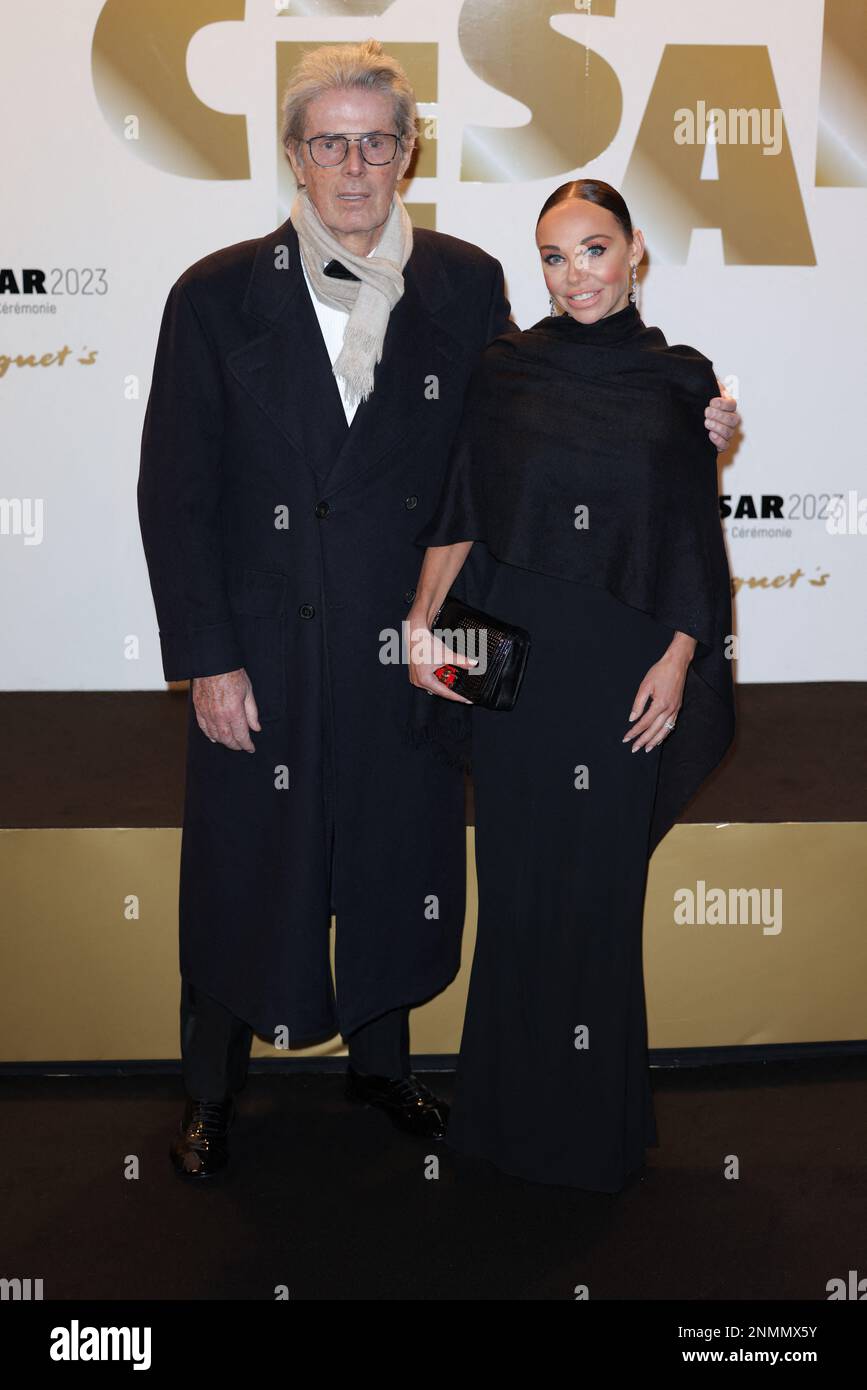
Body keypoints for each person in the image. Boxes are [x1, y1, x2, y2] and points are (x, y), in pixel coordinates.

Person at [138, 34, 740, 1183]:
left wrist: (692, 422)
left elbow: (542, 421)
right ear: (295, 159)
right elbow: (174, 492)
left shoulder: (467, 284)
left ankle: (382, 1066)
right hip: (264, 643)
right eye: (331, 142)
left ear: (407, 156)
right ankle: (212, 1088)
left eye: (378, 140)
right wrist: (206, 657)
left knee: (393, 855)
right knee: (245, 860)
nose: (356, 164)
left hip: (421, 635)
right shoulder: (213, 296)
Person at [408, 179, 737, 1194]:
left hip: (620, 669)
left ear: (637, 252)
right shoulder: (504, 370)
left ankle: (591, 1134)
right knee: (514, 890)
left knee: (598, 899)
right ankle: (501, 1123)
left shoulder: (680, 380)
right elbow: (462, 510)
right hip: (512, 658)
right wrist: (420, 629)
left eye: (595, 251)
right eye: (555, 257)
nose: (576, 276)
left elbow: (687, 532)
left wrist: (681, 659)